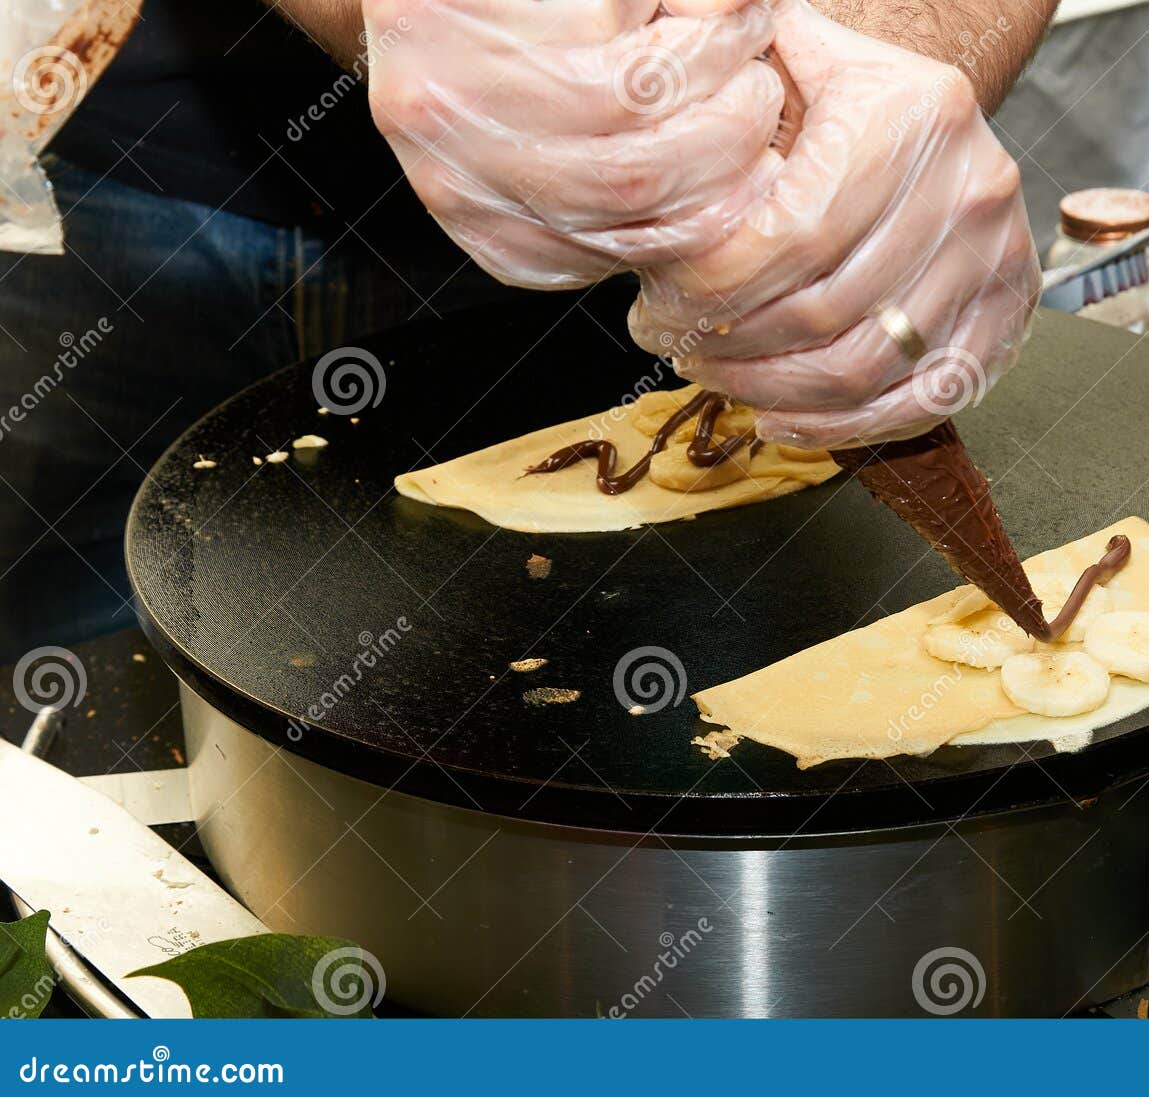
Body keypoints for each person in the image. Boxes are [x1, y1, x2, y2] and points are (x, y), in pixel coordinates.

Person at [0, 0, 1049, 661]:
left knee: (649, 732)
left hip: (646, 259)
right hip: (140, 196)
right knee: (93, 737)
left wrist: (870, 72)